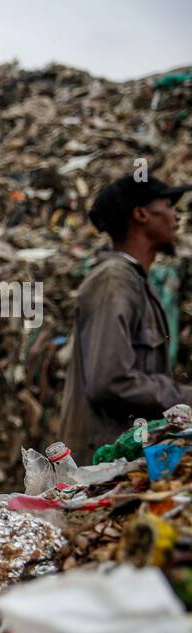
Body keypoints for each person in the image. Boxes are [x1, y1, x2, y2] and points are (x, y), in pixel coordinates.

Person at [62, 173, 190, 461]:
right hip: (102, 463)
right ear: (141, 214)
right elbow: (111, 380)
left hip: (124, 457)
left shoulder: (135, 281)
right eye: (169, 206)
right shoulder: (114, 280)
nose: (176, 217)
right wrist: (183, 398)